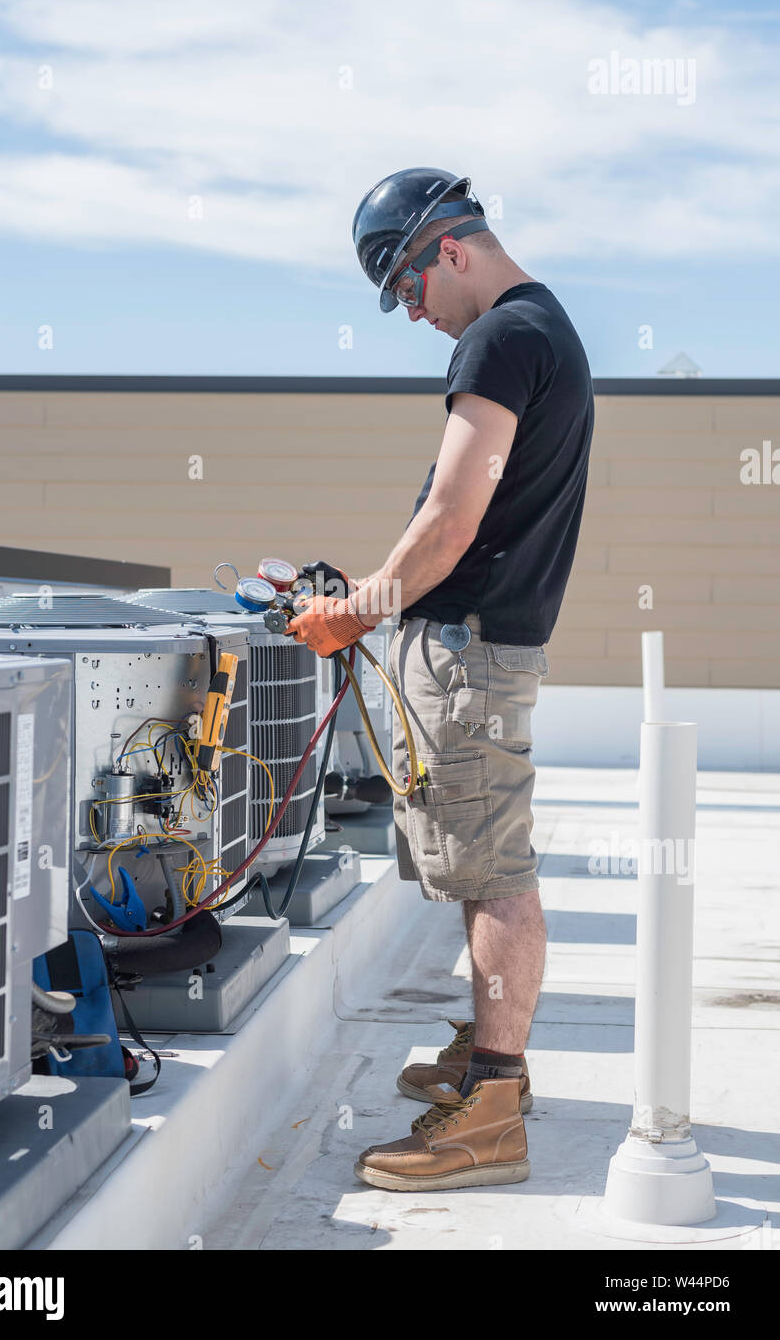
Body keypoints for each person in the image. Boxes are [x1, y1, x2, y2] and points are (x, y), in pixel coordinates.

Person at [287, 167, 594, 1192]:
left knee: (494, 870)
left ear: (448, 247)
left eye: (411, 289)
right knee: (475, 864)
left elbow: (453, 517)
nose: (413, 313)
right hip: (469, 647)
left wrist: (356, 606)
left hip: (468, 654)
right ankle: (487, 1058)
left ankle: (494, 1110)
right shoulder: (540, 331)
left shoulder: (502, 337)